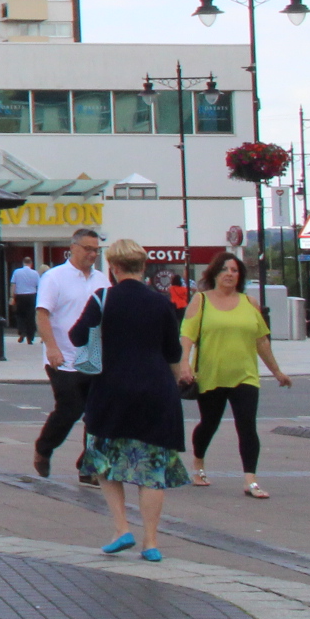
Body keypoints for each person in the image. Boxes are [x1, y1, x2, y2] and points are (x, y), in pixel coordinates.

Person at [73, 238, 191, 560]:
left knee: (103, 458)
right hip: (156, 390)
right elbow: (173, 351)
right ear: (142, 267)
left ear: (113, 267)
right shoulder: (161, 303)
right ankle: (150, 542)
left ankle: (121, 528)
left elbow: (77, 336)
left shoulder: (103, 298)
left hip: (112, 388)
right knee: (152, 468)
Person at [181, 253, 293, 497]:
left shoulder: (249, 303)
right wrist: (184, 363)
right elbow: (187, 335)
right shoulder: (201, 300)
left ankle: (250, 480)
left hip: (245, 375)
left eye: (234, 270)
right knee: (209, 423)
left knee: (247, 425)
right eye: (224, 269)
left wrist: (277, 372)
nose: (229, 274)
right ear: (215, 274)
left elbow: (261, 341)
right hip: (212, 374)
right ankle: (198, 463)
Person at [33, 228, 108, 480]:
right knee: (70, 409)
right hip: (63, 357)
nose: (92, 254)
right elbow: (42, 314)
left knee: (97, 414)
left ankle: (88, 466)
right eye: (88, 249)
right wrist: (51, 347)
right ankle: (44, 448)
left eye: (96, 250)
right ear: (73, 248)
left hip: (93, 357)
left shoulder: (101, 280)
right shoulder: (54, 277)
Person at [10, 254, 43, 345]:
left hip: (20, 296)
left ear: (23, 263)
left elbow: (13, 285)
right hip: (32, 296)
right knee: (31, 316)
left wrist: (12, 297)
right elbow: (39, 286)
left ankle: (22, 331)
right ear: (31, 264)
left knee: (20, 315)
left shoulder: (17, 272)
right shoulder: (35, 273)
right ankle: (30, 337)